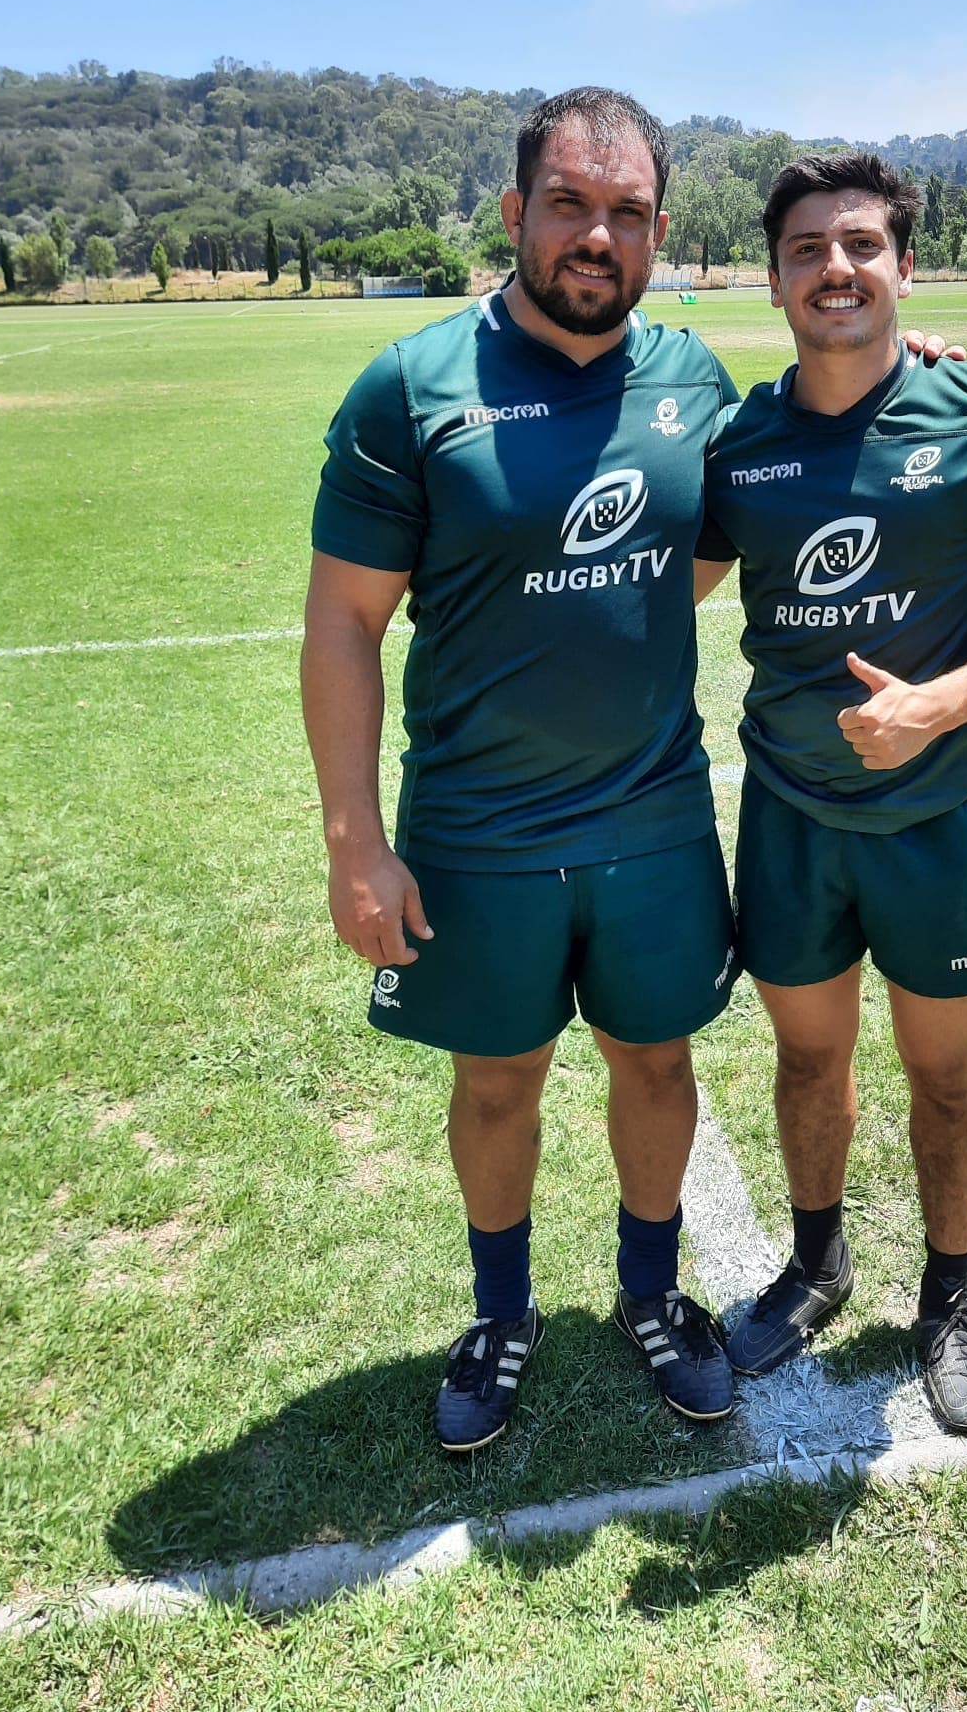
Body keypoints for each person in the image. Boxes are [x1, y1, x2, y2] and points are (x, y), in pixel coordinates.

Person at [301, 88, 747, 1452]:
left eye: (626, 215)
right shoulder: (413, 386)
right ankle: (501, 1314)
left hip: (653, 817)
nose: (596, 238)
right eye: (570, 207)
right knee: (497, 1080)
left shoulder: (693, 384)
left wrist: (923, 364)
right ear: (516, 215)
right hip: (477, 830)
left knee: (656, 1062)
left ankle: (653, 1292)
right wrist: (353, 841)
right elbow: (344, 622)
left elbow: (721, 545)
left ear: (660, 229)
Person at [695, 150, 967, 1433]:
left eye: (861, 244)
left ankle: (950, 1297)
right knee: (809, 1056)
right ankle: (817, 1265)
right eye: (808, 249)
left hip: (932, 824)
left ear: (905, 266)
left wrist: (938, 703)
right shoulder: (740, 444)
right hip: (794, 815)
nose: (837, 268)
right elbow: (668, 578)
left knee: (943, 1071)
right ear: (773, 280)